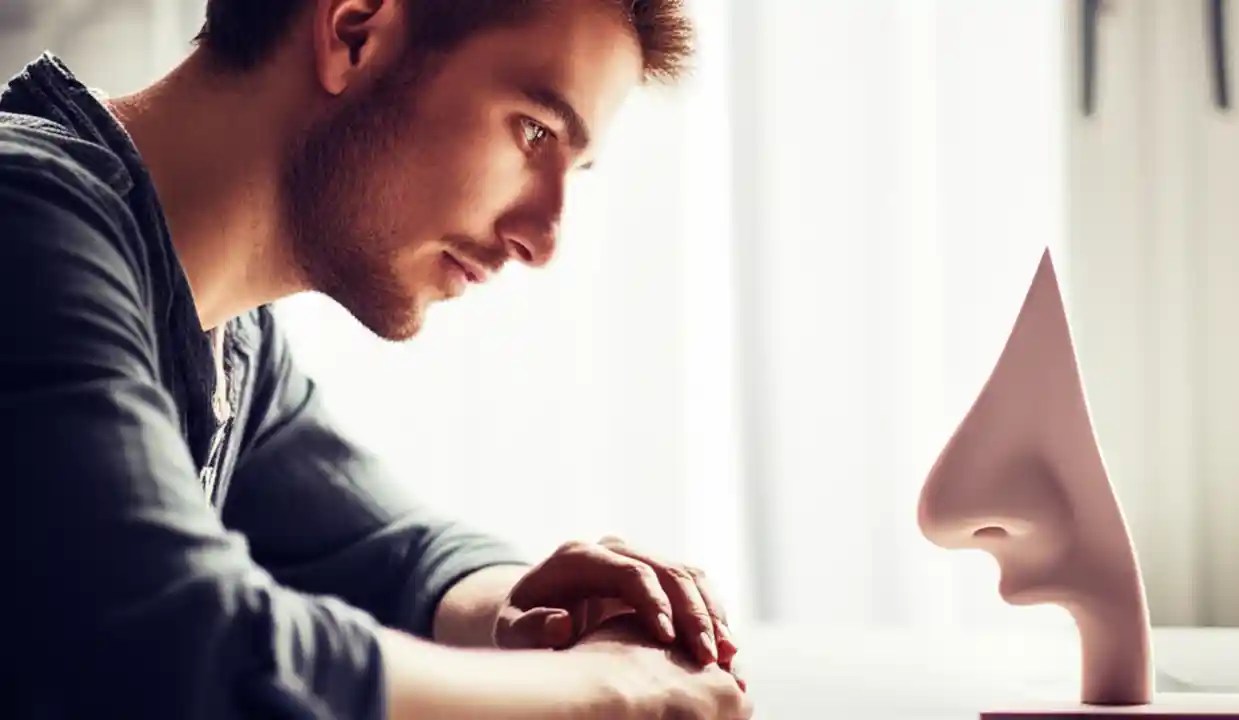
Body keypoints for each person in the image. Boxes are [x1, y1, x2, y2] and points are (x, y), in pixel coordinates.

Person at [1, 0, 752, 718]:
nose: (543, 239)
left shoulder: (230, 342)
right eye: (533, 134)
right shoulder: (26, 222)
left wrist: (539, 609)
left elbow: (390, 551)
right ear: (354, 33)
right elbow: (189, 647)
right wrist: (608, 694)